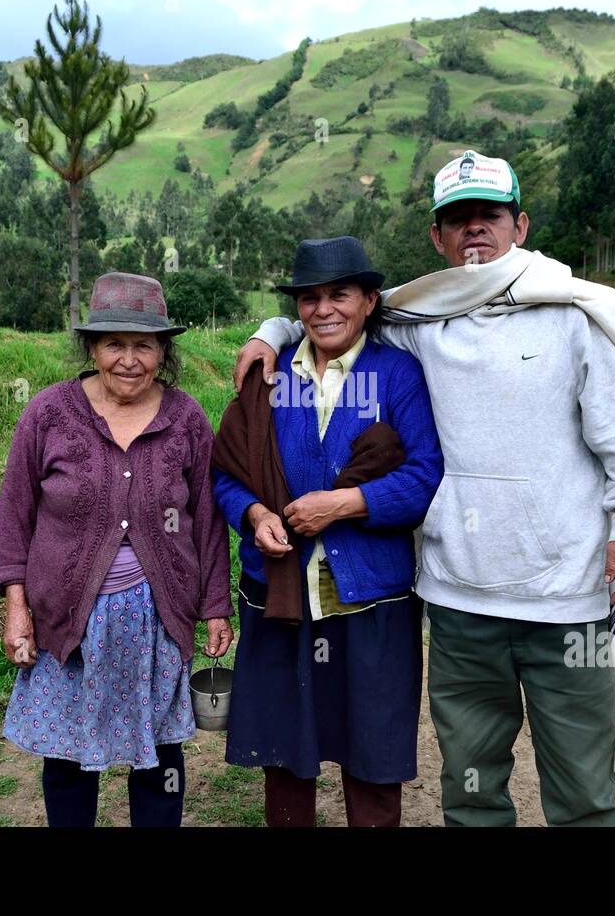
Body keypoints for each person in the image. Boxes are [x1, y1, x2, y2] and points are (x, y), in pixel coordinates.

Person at [234, 151, 615, 827]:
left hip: (566, 594)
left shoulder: (573, 317)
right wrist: (271, 332)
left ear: (519, 224)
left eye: (488, 217)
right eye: (456, 221)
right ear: (437, 237)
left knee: (583, 793)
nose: (474, 233)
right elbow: (327, 321)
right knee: (471, 792)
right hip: (459, 601)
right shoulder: (419, 322)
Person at [212, 236, 443, 827]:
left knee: (373, 748)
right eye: (309, 298)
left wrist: (342, 505)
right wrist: (255, 515)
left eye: (338, 294)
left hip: (370, 596)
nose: (323, 309)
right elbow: (228, 471)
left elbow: (424, 474)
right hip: (280, 594)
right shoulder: (270, 377)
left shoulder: (396, 374)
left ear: (369, 300)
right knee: (286, 750)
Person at [0, 271, 232, 828]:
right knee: (70, 758)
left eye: (143, 345)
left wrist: (215, 605)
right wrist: (16, 608)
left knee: (160, 759)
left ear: (163, 351)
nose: (129, 359)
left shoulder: (187, 419)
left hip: (157, 615)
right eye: (114, 344)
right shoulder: (49, 413)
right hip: (67, 617)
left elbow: (208, 521)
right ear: (93, 348)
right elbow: (14, 517)